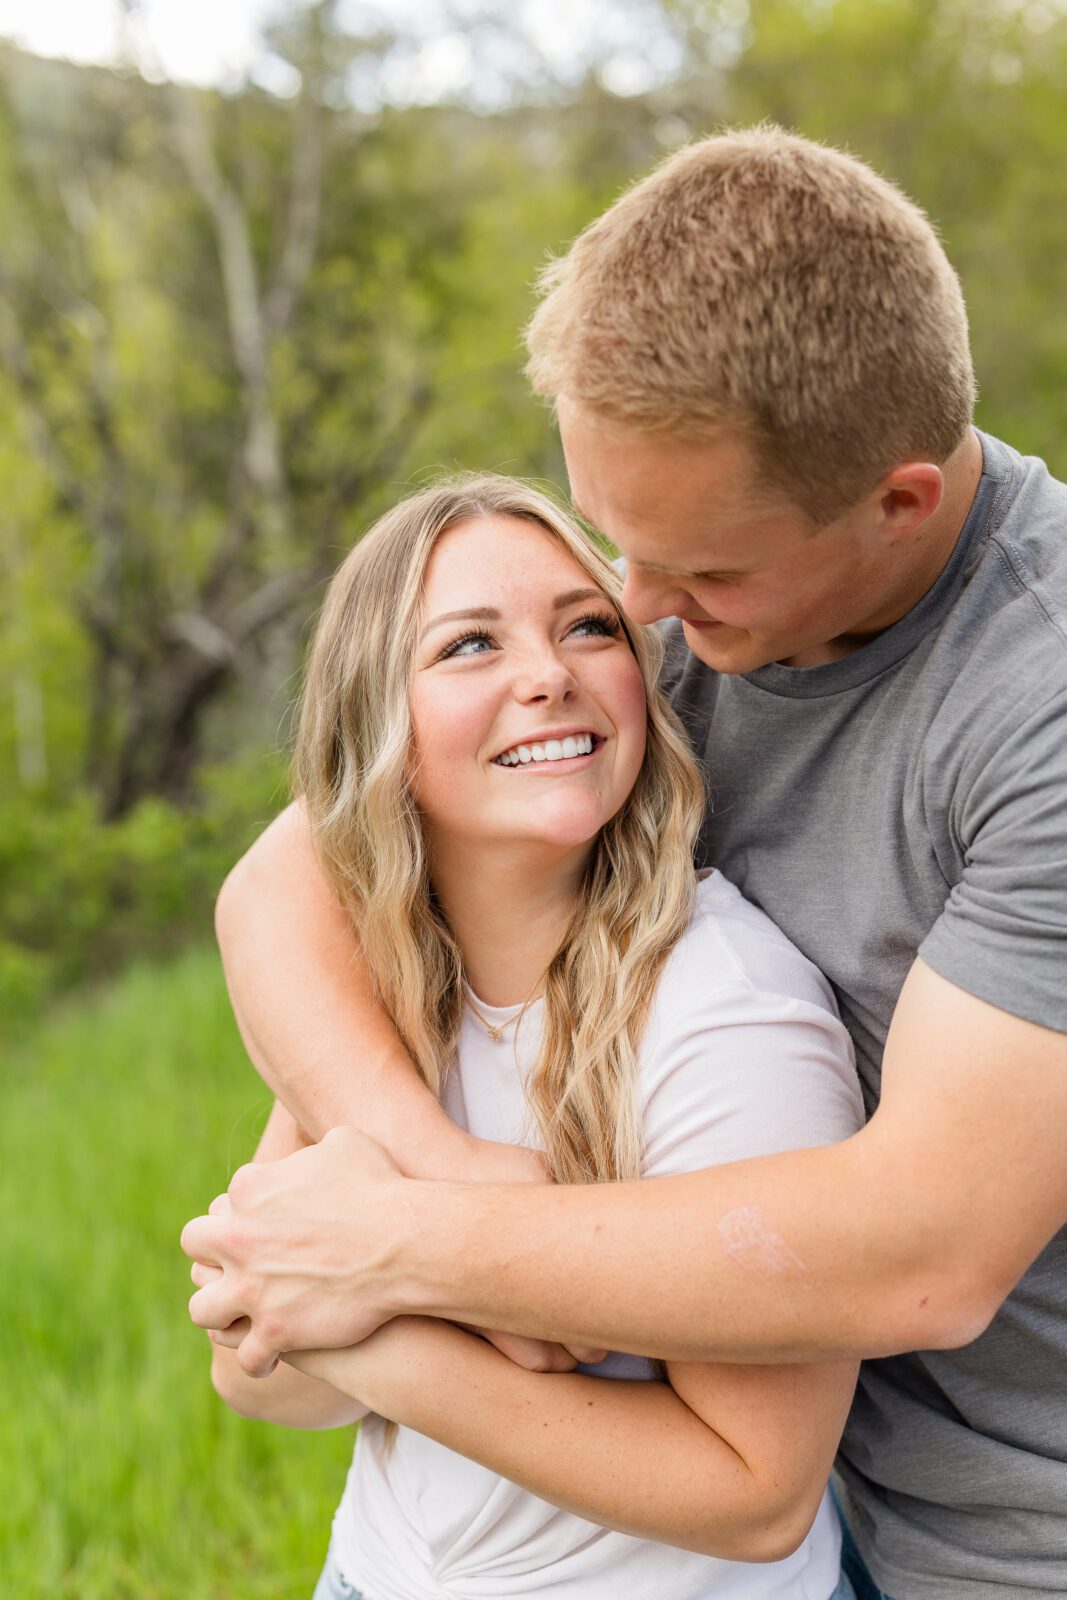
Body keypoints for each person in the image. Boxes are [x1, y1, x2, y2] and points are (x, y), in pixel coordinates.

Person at [183, 128, 1067, 1600]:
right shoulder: (671, 603)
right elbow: (289, 874)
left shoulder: (1030, 701)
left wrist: (406, 1256)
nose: (633, 607)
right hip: (797, 1486)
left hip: (1009, 1533)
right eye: (611, 543)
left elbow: (926, 1251)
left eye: (697, 573)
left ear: (896, 502)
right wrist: (432, 1154)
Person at [200, 473, 864, 1600]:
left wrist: (373, 1326)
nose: (547, 674)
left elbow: (757, 1491)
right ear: (380, 728)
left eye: (587, 626)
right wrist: (337, 1287)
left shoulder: (728, 1010)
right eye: (469, 645)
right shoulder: (383, 998)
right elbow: (255, 1367)